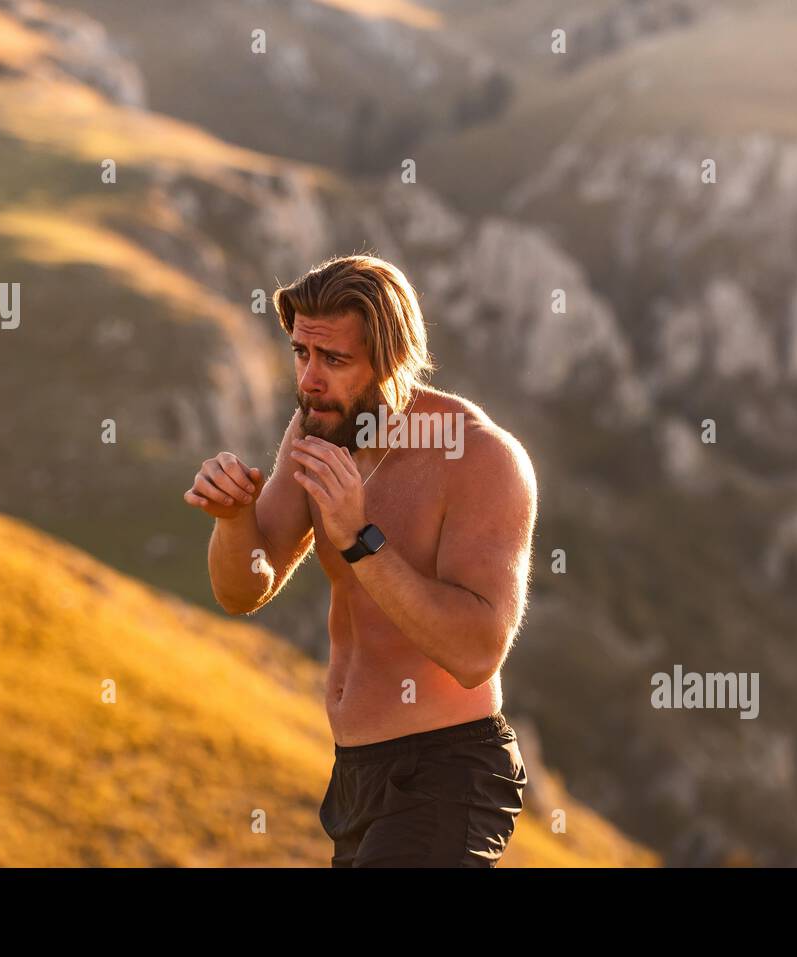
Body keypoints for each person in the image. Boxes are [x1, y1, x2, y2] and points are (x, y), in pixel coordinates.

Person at [185, 254, 537, 867]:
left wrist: (358, 537)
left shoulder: (481, 459)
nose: (310, 380)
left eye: (335, 360)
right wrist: (233, 517)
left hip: (447, 771)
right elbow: (243, 590)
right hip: (354, 778)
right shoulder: (320, 427)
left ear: (393, 360)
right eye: (301, 353)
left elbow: (476, 653)